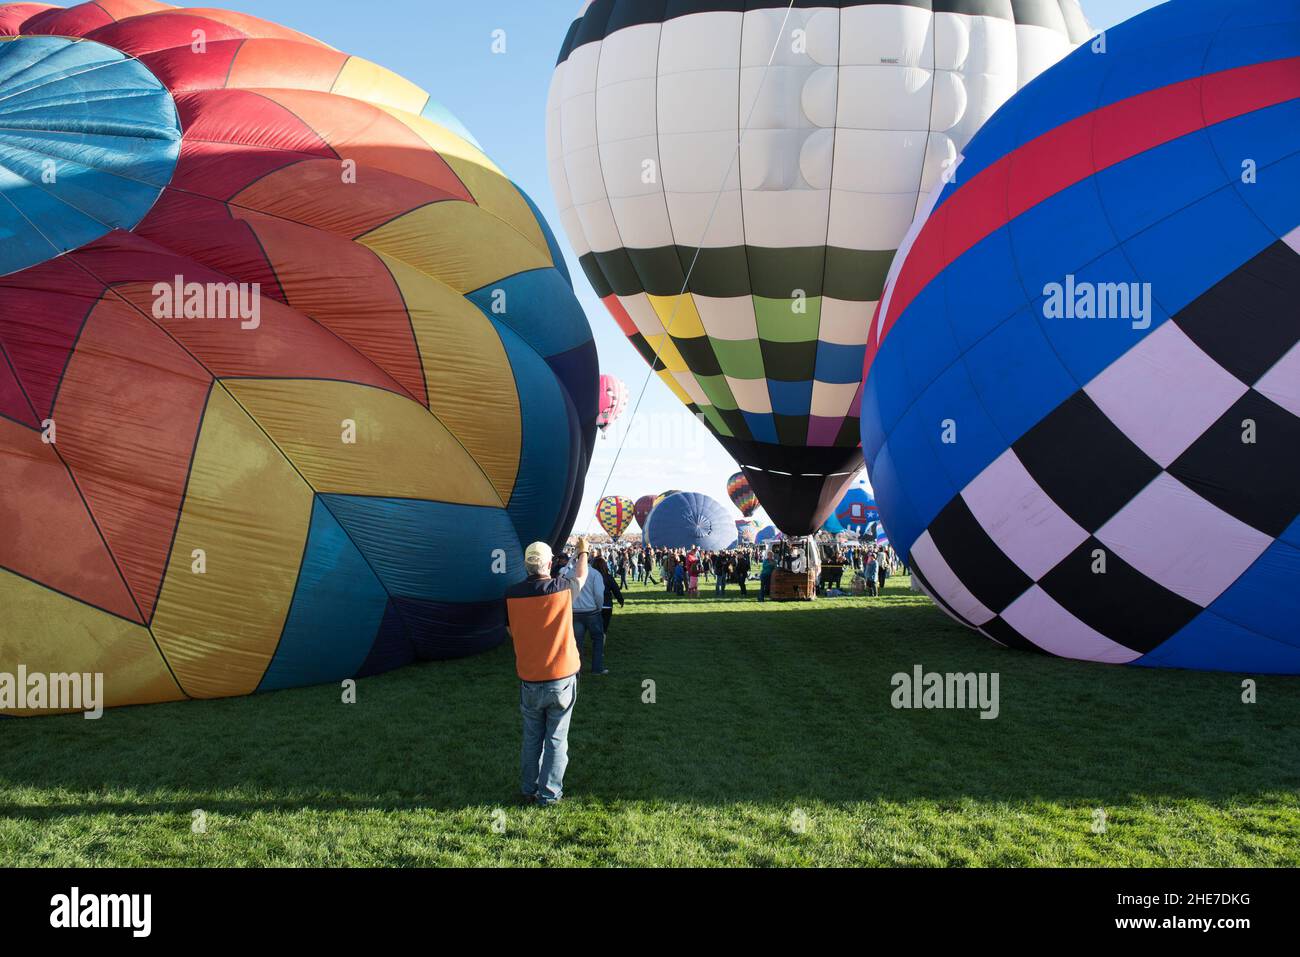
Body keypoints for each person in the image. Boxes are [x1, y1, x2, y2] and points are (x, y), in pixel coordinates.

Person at [505, 538, 588, 807]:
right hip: (561, 677)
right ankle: (550, 794)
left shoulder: (511, 595)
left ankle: (529, 789)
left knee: (532, 738)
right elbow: (581, 575)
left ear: (526, 566)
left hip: (529, 676)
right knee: (555, 739)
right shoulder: (562, 589)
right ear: (550, 563)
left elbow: (510, 631)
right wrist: (583, 551)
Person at [566, 545, 609, 676]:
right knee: (598, 640)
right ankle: (597, 668)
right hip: (592, 612)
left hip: (575, 612)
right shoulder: (595, 574)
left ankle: (576, 670)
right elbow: (599, 594)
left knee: (577, 643)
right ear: (588, 559)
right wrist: (599, 607)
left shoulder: (569, 574)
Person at [590, 555, 625, 638]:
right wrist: (621, 600)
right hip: (606, 606)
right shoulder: (608, 577)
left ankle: (598, 644)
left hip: (594, 606)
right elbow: (616, 590)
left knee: (596, 629)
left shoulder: (591, 577)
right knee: (603, 630)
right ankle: (600, 645)